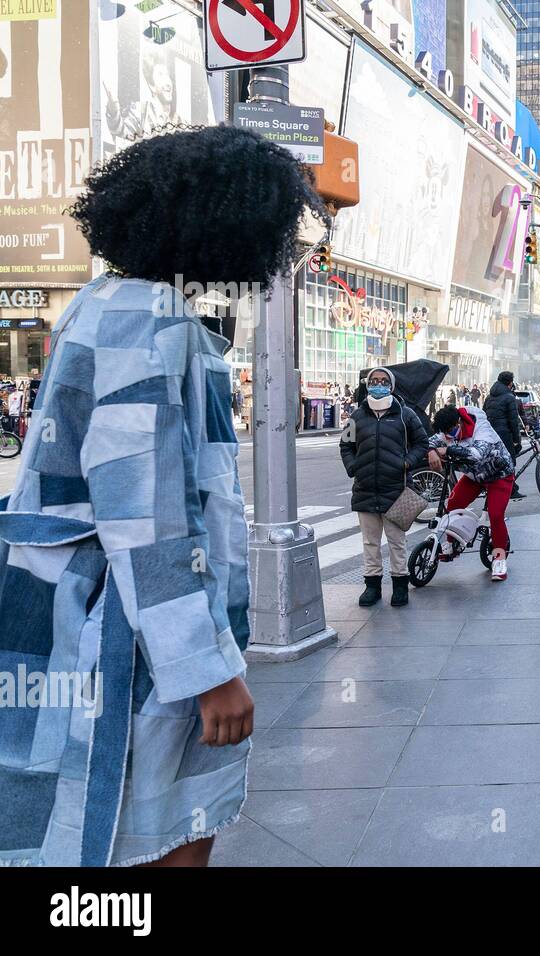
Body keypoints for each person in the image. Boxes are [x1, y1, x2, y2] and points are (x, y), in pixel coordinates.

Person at [0, 125, 324, 866]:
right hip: (130, 643)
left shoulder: (100, 302)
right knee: (157, 834)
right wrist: (207, 673)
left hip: (103, 626)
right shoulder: (150, 318)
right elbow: (141, 513)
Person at [341, 366, 430, 608]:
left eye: (383, 381)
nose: (378, 384)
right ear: (367, 385)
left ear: (391, 385)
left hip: (396, 489)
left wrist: (407, 463)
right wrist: (353, 467)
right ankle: (372, 587)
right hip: (365, 488)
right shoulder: (356, 416)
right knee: (370, 543)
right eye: (374, 381)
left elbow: (422, 442)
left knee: (396, 541)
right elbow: (345, 445)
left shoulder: (405, 414)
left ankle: (400, 585)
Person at [428, 404, 516, 581]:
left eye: (452, 430)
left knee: (495, 514)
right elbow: (430, 441)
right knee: (452, 505)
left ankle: (499, 560)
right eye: (445, 432)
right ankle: (452, 545)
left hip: (499, 474)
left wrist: (447, 449)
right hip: (474, 476)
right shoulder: (446, 429)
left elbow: (476, 454)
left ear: (459, 422)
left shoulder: (481, 428)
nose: (449, 435)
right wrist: (431, 451)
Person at [484, 371, 524, 500]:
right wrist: (517, 440)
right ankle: (510, 489)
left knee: (496, 462)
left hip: (490, 434)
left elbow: (484, 415)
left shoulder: (489, 397)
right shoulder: (509, 397)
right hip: (504, 433)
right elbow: (513, 421)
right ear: (510, 383)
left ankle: (509, 487)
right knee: (509, 461)